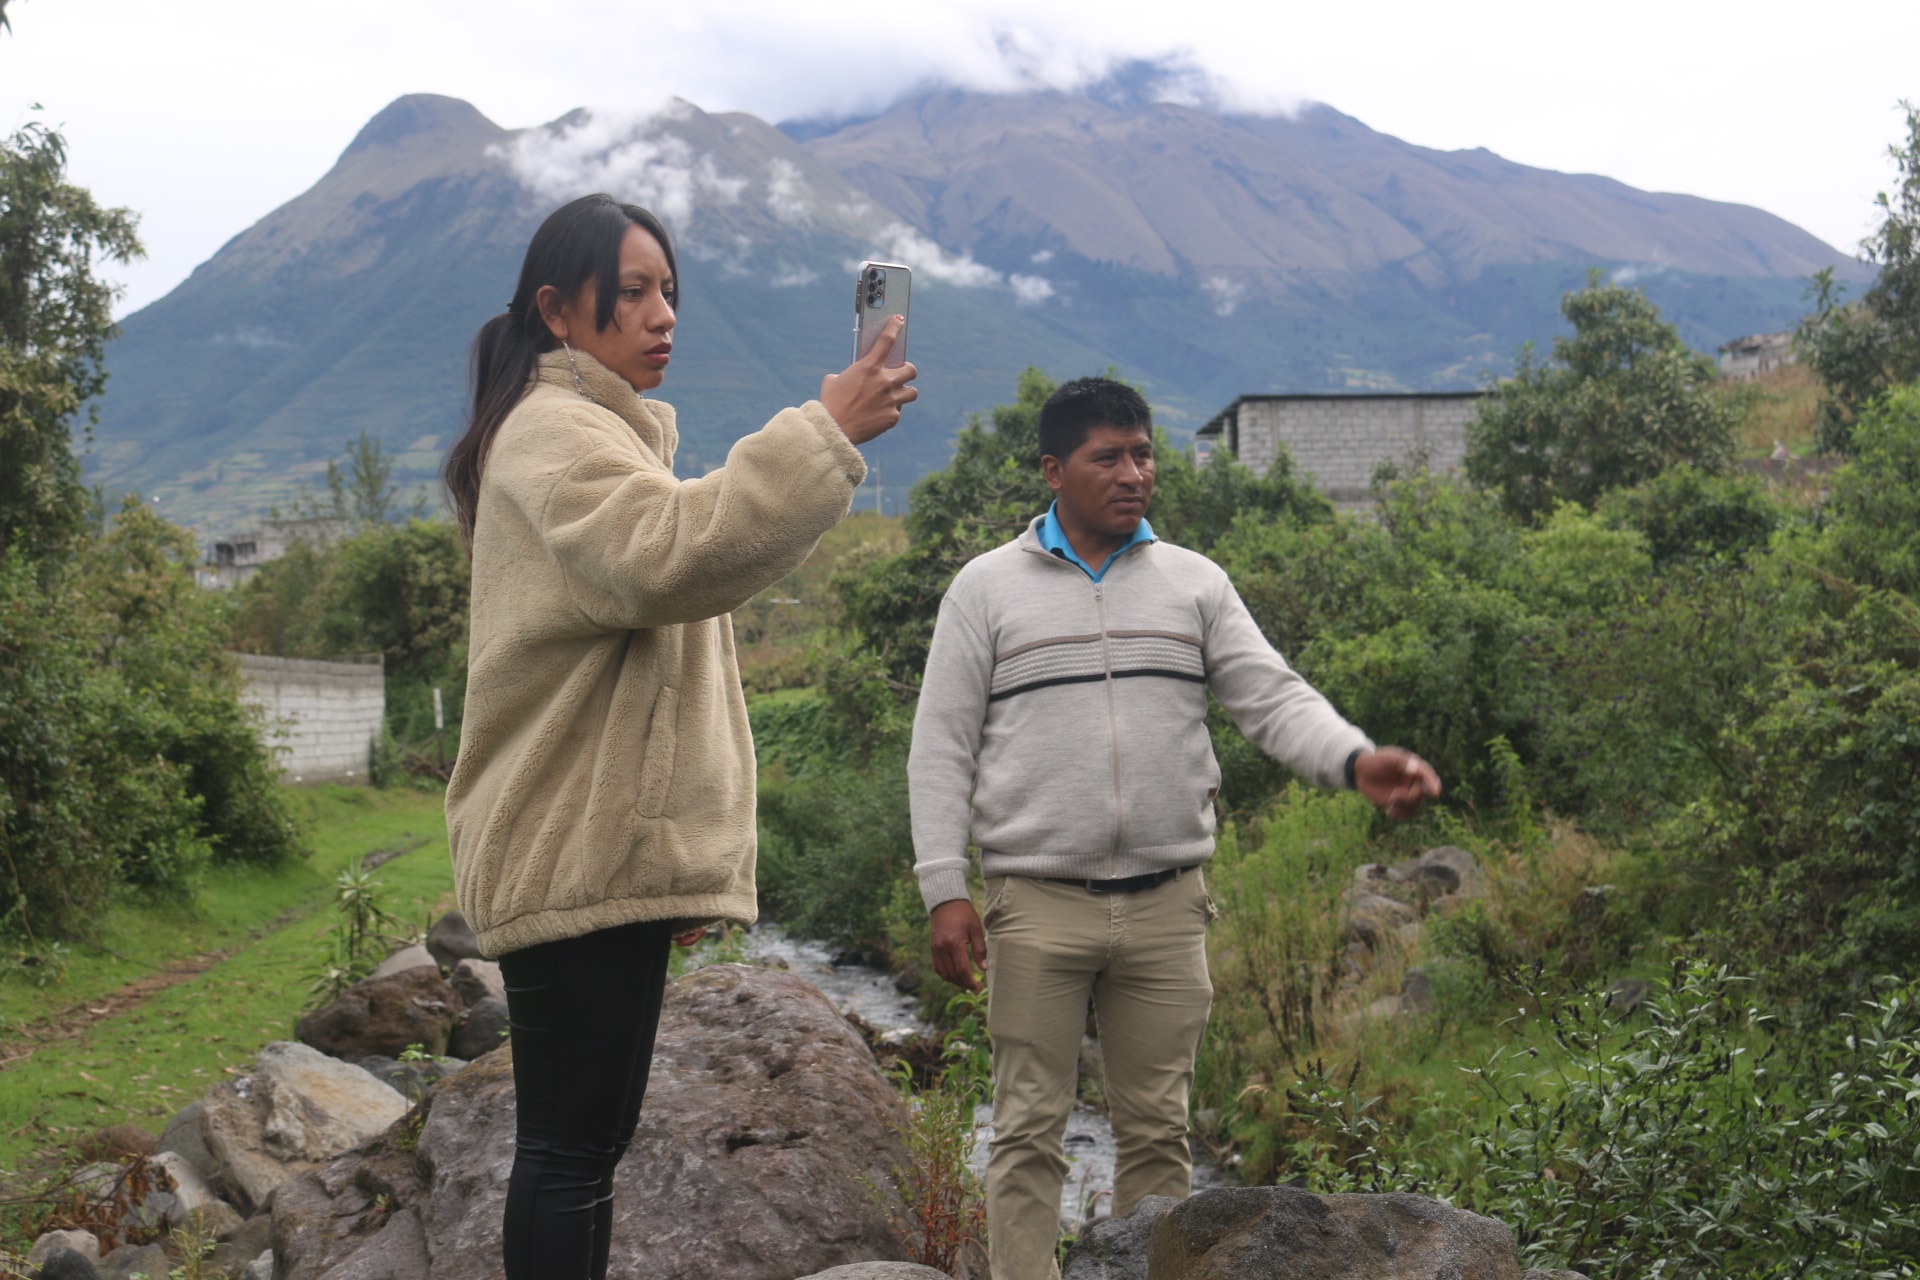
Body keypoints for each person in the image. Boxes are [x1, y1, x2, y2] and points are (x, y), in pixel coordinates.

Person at [443, 193, 916, 1280]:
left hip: (594, 843)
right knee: (569, 1153)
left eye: (672, 292)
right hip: (570, 840)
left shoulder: (588, 430)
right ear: (560, 310)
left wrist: (669, 871)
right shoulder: (554, 433)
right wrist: (823, 431)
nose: (664, 314)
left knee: (583, 1150)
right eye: (639, 290)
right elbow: (673, 554)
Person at [908, 376, 1439, 1278]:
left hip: (1166, 906)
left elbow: (1273, 700)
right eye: (1106, 457)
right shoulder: (986, 590)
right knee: (1030, 1128)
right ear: (1053, 469)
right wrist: (943, 889)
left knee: (1158, 1135)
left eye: (1143, 454)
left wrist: (1355, 761)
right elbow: (941, 745)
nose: (1133, 474)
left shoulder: (1194, 583)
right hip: (1037, 901)